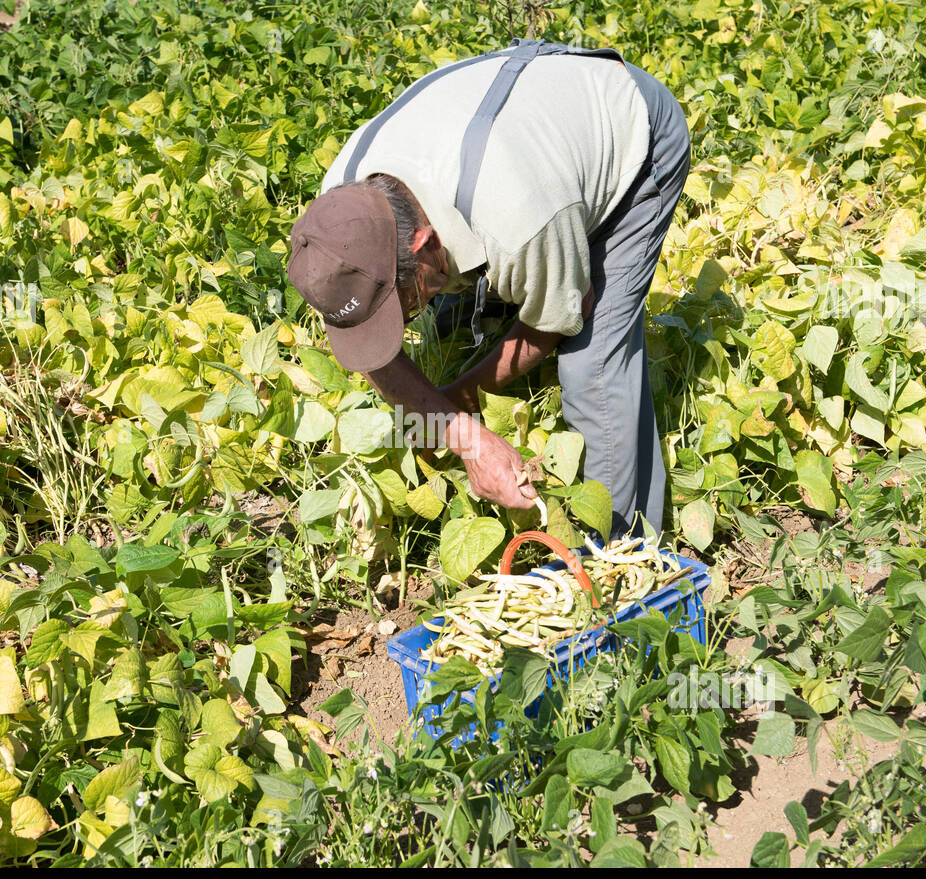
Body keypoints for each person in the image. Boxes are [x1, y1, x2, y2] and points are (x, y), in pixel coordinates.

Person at [286, 39, 690, 537]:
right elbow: (370, 341)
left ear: (424, 243)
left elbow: (561, 316)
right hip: (517, 150)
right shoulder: (338, 220)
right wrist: (459, 432)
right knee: (454, 313)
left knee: (593, 365)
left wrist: (460, 400)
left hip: (631, 131)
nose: (404, 318)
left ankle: (618, 552)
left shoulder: (519, 219)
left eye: (402, 303)